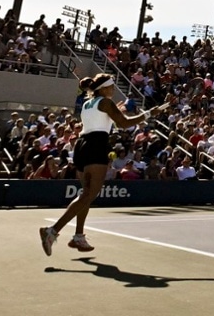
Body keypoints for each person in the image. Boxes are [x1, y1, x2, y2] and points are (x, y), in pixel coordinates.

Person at [38, 76, 169, 256]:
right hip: (96, 145)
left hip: (82, 146)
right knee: (89, 195)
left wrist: (115, 111)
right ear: (104, 89)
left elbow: (105, 120)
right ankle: (52, 231)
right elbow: (123, 123)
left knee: (86, 195)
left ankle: (78, 236)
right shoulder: (106, 103)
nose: (113, 89)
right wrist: (148, 114)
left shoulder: (88, 103)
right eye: (111, 87)